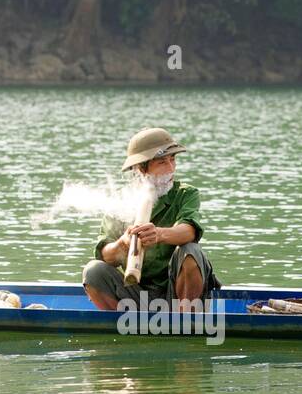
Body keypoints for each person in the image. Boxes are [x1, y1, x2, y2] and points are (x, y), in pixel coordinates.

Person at [81, 127, 220, 312]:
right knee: (93, 271)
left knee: (190, 250)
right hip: (137, 296)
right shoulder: (121, 202)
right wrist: (123, 244)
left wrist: (159, 234)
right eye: (162, 163)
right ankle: (123, 326)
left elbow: (188, 231)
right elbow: (104, 254)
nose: (171, 169)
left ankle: (185, 323)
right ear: (141, 169)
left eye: (173, 160)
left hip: (177, 295)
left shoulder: (186, 194)